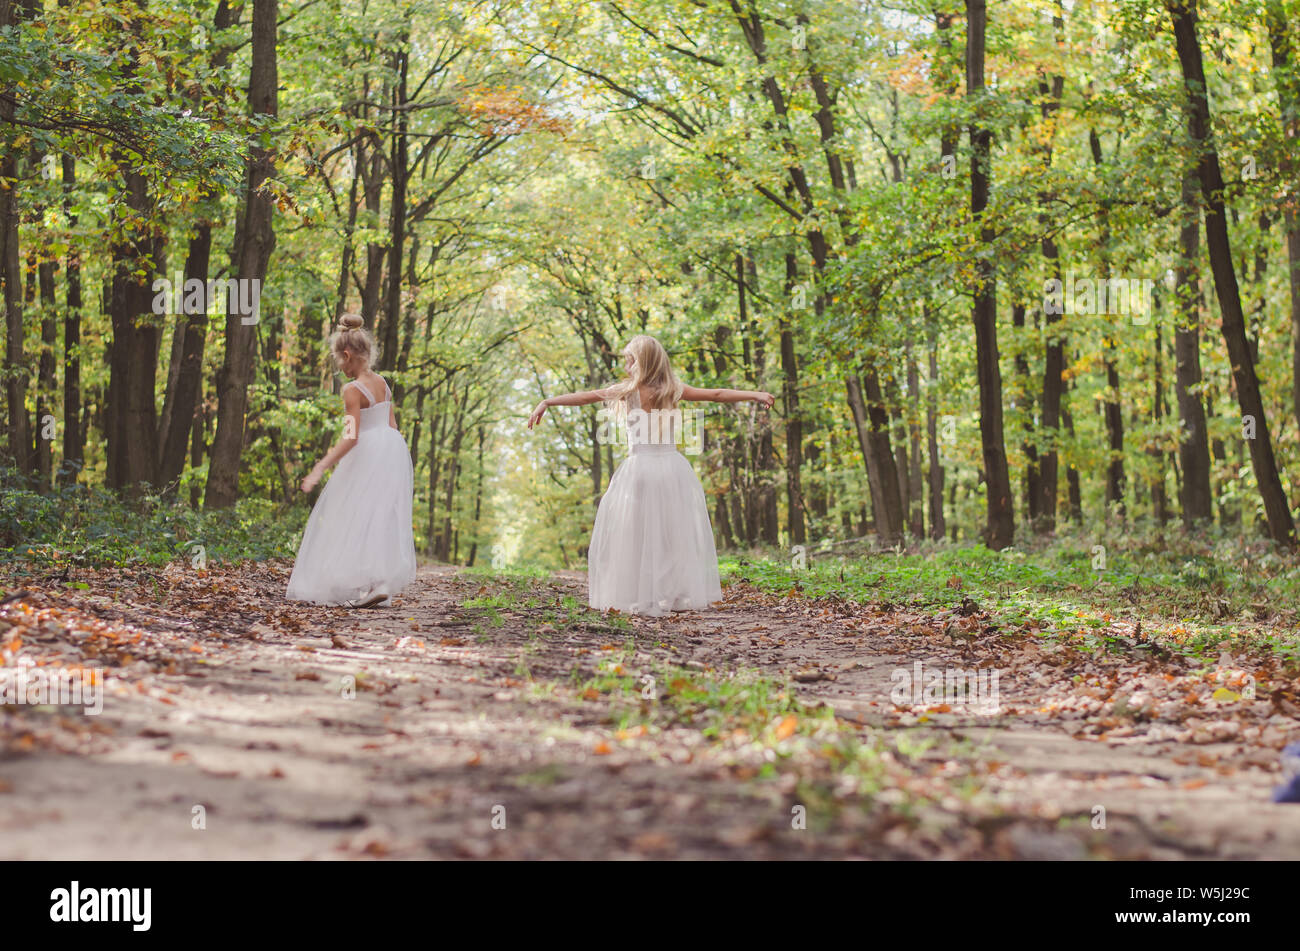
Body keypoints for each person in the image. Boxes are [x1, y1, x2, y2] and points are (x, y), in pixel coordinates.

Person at [527, 334, 774, 616]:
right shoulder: (672, 389)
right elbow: (717, 394)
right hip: (672, 469)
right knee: (671, 534)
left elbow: (584, 397)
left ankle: (643, 595)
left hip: (640, 469)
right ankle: (671, 593)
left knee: (637, 534)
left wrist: (548, 402)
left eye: (629, 361)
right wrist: (756, 394)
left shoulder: (628, 391)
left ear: (641, 362)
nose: (626, 367)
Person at [287, 314, 417, 607]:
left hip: (369, 451)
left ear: (347, 355)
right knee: (379, 516)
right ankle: (379, 582)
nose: (339, 368)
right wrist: (395, 457)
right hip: (393, 449)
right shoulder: (382, 382)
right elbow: (393, 424)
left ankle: (371, 582)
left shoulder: (352, 390)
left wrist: (320, 467)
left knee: (353, 514)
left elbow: (350, 437)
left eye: (338, 361)